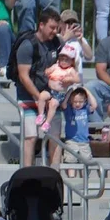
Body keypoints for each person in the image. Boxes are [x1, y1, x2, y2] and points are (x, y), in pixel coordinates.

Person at [13, 9, 64, 166]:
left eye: (57, 28)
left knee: (55, 136)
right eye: (52, 27)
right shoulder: (28, 45)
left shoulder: (55, 43)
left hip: (50, 96)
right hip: (28, 95)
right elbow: (23, 76)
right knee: (31, 136)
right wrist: (37, 97)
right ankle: (26, 175)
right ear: (41, 25)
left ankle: (55, 176)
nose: (55, 31)